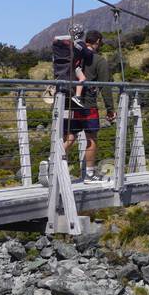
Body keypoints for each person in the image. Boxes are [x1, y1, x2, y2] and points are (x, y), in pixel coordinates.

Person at [63, 30, 116, 183]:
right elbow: (105, 87)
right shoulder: (99, 61)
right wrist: (110, 109)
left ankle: (50, 163)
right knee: (91, 138)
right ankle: (90, 174)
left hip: (70, 103)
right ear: (98, 41)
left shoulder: (73, 55)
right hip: (88, 105)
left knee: (70, 137)